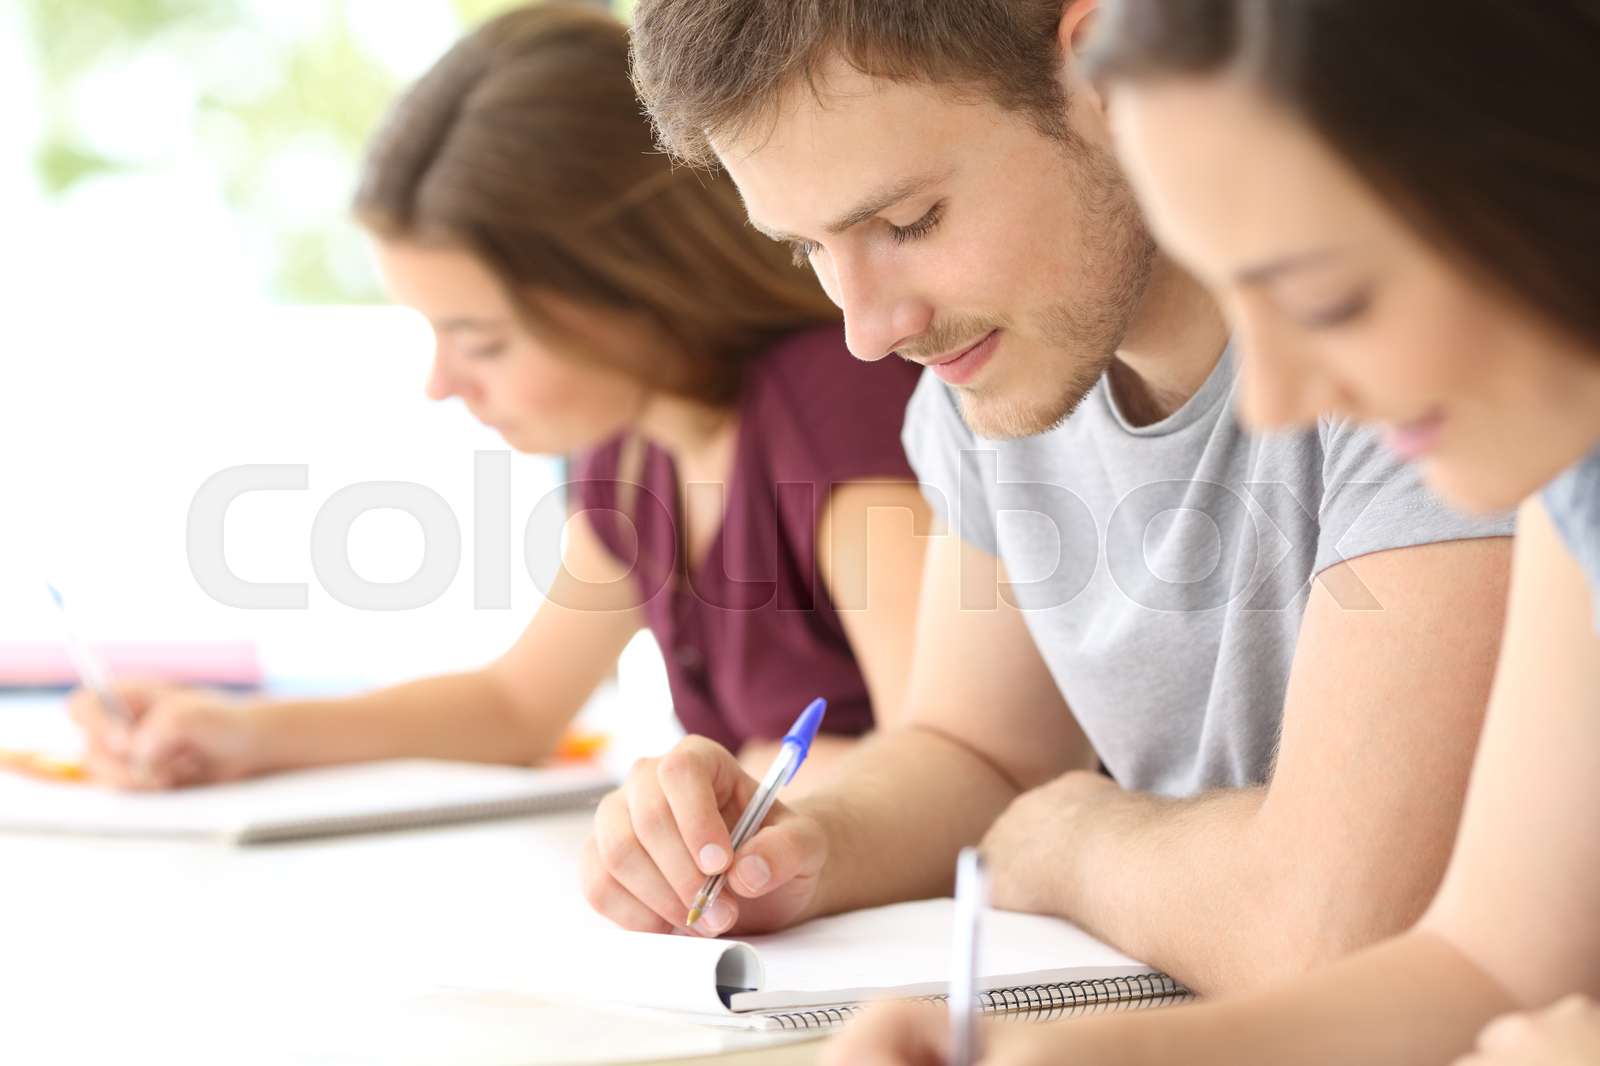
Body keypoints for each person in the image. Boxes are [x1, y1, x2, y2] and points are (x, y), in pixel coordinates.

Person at [590, 0, 1512, 991]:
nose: (866, 330)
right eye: (805, 249)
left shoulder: (1405, 337)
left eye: (907, 222)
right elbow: (975, 751)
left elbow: (1337, 923)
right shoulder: (987, 375)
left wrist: (1069, 839)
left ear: (1104, 73)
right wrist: (797, 844)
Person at [825, 0, 1600, 1062]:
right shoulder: (1574, 495)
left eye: (1325, 297)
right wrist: (1093, 1056)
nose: (1272, 400)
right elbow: (1493, 965)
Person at [68, 3, 929, 796]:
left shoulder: (833, 404)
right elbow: (516, 707)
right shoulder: (634, 453)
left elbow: (939, 761)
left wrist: (754, 785)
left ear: (634, 284)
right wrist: (240, 732)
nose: (442, 383)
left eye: (481, 339)